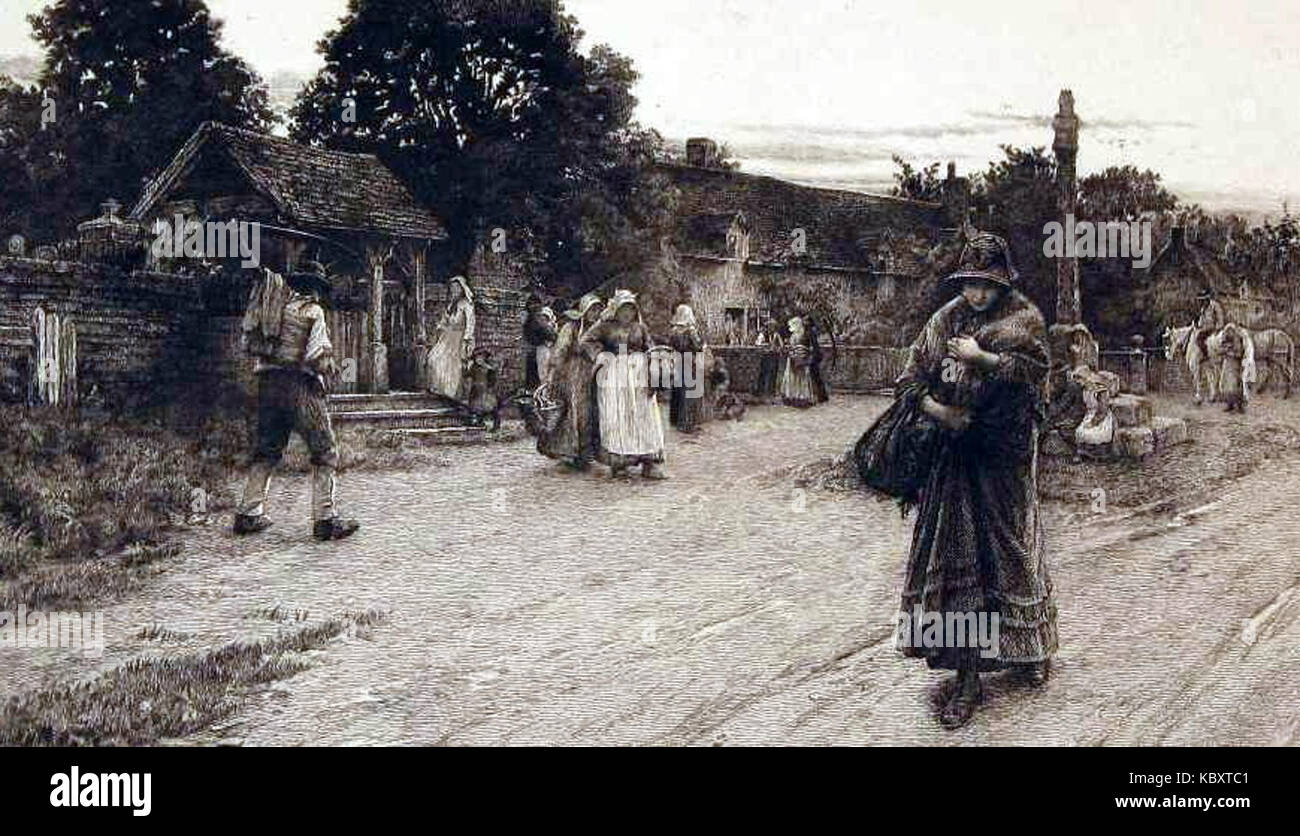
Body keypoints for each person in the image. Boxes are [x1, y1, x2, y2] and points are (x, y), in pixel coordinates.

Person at [893, 232, 1057, 729]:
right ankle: (966, 680)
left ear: (1004, 282)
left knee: (1009, 550)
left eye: (987, 285)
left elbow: (1035, 372)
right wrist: (941, 412)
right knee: (956, 558)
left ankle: (1029, 647)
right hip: (954, 455)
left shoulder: (1024, 319)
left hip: (1004, 456)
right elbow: (908, 383)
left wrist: (982, 360)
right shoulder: (944, 321)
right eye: (970, 284)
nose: (978, 294)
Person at [234, 261, 359, 541]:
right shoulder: (313, 312)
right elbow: (316, 355)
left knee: (266, 449)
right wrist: (332, 368)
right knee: (325, 450)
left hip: (268, 384)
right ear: (314, 289)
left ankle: (248, 513)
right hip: (299, 385)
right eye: (318, 289)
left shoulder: (274, 309)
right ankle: (325, 519)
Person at [580, 289, 667, 479]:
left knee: (643, 416)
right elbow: (586, 340)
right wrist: (600, 355)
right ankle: (619, 463)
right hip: (615, 375)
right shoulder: (605, 326)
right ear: (616, 310)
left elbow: (650, 346)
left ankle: (649, 462)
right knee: (617, 416)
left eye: (630, 309)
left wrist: (654, 363)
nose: (627, 313)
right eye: (623, 309)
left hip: (638, 375)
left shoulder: (640, 328)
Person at [538, 292, 603, 469]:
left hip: (593, 374)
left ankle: (586, 452)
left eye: (598, 310)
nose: (595, 314)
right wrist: (553, 373)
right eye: (592, 310)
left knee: (591, 413)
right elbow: (560, 351)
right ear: (584, 310)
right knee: (573, 412)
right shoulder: (571, 327)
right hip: (572, 374)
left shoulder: (600, 329)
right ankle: (569, 451)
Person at [426, 276, 475, 400]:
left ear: (462, 289)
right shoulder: (451, 305)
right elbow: (445, 321)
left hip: (459, 338)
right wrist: (439, 327)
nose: (454, 291)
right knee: (433, 358)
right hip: (447, 337)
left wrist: (467, 339)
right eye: (452, 288)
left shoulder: (466, 304)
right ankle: (441, 390)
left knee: (452, 365)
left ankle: (451, 393)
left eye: (456, 288)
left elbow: (470, 323)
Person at [667, 303, 704, 435]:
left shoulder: (674, 330)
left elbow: (670, 345)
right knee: (690, 393)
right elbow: (698, 345)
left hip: (678, 361)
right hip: (690, 361)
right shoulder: (690, 330)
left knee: (679, 392)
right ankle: (687, 423)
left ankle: (676, 421)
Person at [522, 294, 557, 390]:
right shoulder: (532, 319)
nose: (534, 307)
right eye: (531, 305)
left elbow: (550, 334)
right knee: (539, 375)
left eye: (536, 304)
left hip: (543, 349)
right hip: (537, 350)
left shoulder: (539, 318)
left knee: (543, 375)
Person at [781, 316, 817, 407]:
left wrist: (790, 350)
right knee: (800, 377)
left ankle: (795, 395)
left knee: (796, 377)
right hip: (800, 357)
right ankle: (800, 396)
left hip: (796, 357)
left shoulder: (796, 335)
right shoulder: (802, 334)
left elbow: (795, 347)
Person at [465, 347, 502, 430]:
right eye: (477, 357)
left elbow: (493, 379)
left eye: (481, 357)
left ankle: (496, 423)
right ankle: (478, 421)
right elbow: (468, 375)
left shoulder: (488, 368)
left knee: (491, 407)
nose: (479, 359)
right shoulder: (473, 367)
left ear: (485, 358)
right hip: (476, 389)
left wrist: (491, 386)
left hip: (486, 390)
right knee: (475, 406)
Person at [1219, 322, 1247, 413]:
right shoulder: (1226, 340)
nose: (1227, 333)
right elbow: (1221, 349)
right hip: (1227, 364)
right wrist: (1225, 350)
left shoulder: (1237, 341)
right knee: (1226, 385)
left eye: (1229, 331)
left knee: (1235, 385)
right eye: (1227, 331)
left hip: (1234, 365)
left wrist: (1230, 353)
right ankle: (1229, 404)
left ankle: (1239, 406)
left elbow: (1239, 354)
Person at [755, 320, 784, 398]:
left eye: (774, 327)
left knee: (774, 374)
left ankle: (772, 391)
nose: (772, 328)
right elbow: (758, 344)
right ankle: (760, 391)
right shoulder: (763, 334)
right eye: (770, 327)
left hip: (774, 356)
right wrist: (766, 346)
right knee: (764, 373)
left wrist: (777, 347)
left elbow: (782, 345)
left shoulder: (776, 335)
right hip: (766, 356)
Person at [805, 315, 830, 403]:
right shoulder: (812, 331)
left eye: (806, 321)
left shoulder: (811, 332)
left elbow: (812, 345)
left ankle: (820, 396)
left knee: (815, 377)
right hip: (815, 355)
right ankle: (822, 396)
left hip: (814, 356)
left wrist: (810, 355)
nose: (804, 323)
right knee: (816, 377)